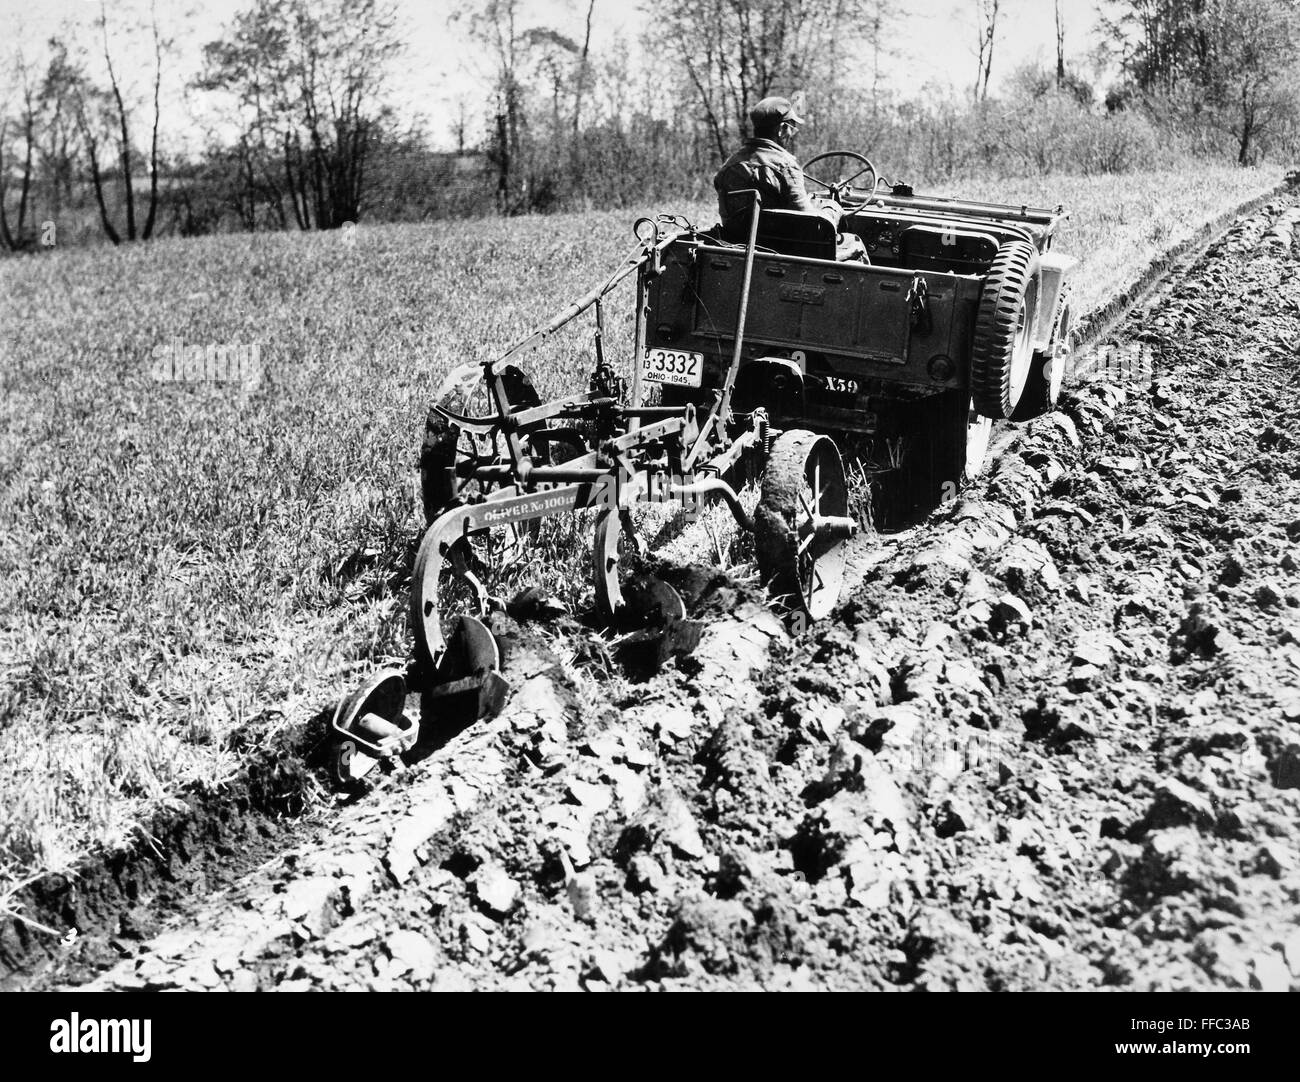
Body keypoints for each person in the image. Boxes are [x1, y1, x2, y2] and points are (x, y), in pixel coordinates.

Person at [713, 96, 864, 261]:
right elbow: (810, 224)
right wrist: (833, 209)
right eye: (792, 128)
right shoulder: (785, 166)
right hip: (783, 250)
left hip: (737, 243)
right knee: (854, 242)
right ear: (781, 130)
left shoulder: (729, 165)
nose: (792, 133)